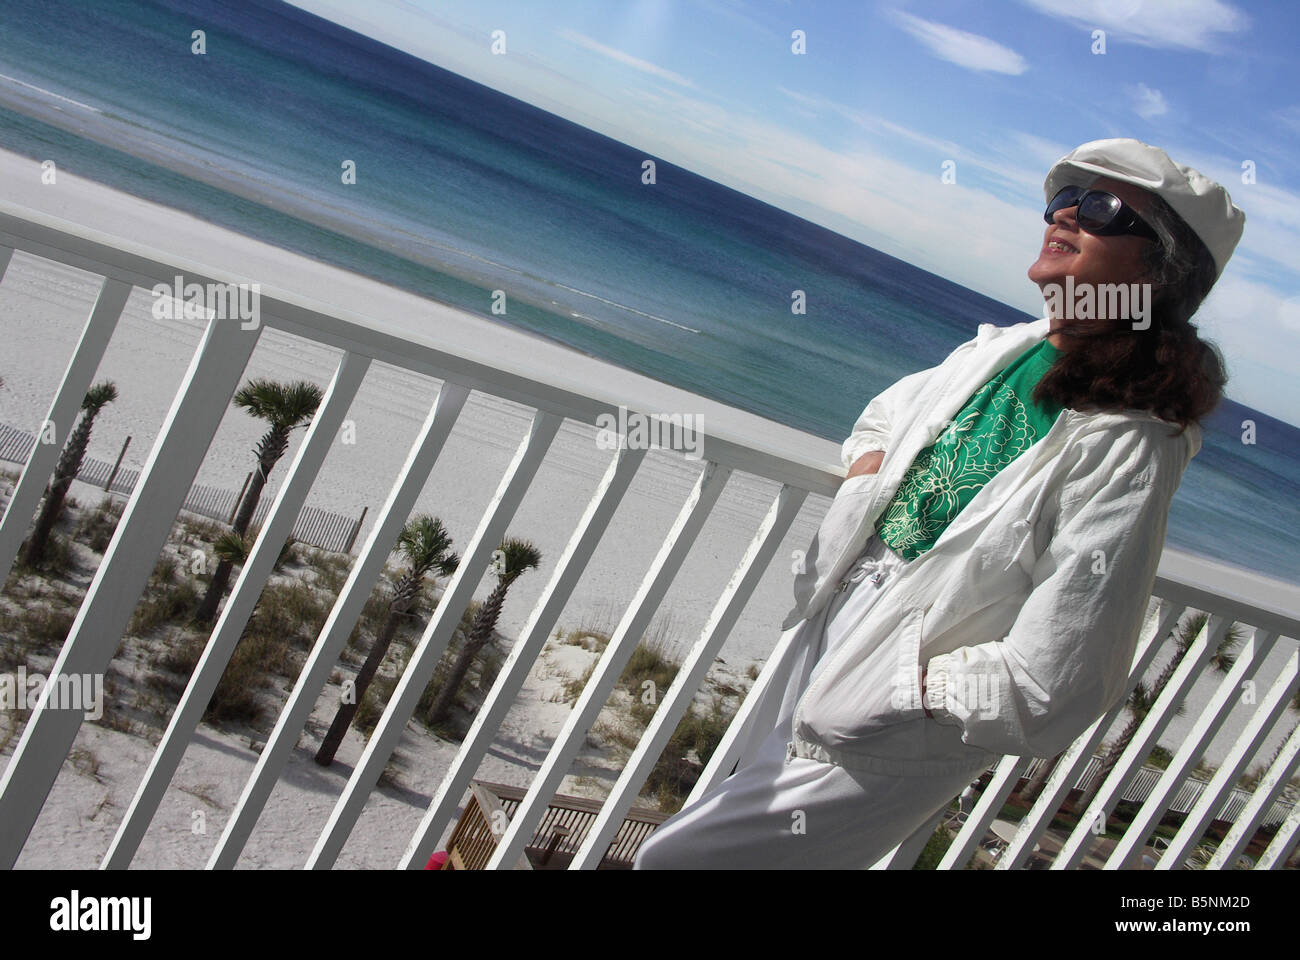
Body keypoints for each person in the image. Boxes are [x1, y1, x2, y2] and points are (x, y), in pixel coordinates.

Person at [634, 138, 1245, 869]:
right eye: (1065, 199)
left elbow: (1064, 674)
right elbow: (887, 418)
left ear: (1160, 271)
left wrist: (908, 685)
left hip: (899, 718)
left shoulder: (1131, 443)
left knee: (676, 862)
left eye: (1104, 209)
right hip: (832, 633)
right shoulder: (1012, 347)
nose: (1067, 214)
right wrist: (866, 473)